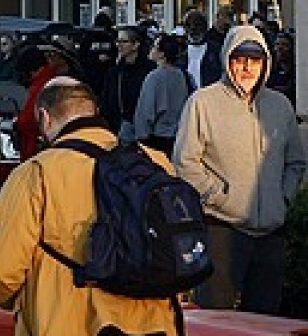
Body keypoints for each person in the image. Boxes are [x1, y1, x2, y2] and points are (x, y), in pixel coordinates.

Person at [0, 77, 180, 336]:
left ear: (45, 118)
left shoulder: (38, 173)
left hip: (70, 325)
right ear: (95, 111)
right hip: (157, 326)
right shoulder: (155, 162)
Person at [174, 26, 306, 314]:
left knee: (265, 318)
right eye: (239, 59)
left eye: (254, 60)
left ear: (265, 63)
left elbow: (295, 162)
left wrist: (282, 199)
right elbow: (185, 162)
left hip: (271, 232)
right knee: (216, 317)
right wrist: (217, 197)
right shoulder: (203, 103)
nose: (247, 67)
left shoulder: (280, 105)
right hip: (223, 229)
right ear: (227, 60)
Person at [124, 33, 191, 157]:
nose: (151, 49)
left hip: (156, 138)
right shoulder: (181, 75)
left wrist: (141, 138)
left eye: (155, 47)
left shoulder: (154, 77)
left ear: (162, 54)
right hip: (177, 136)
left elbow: (145, 111)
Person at [100, 26, 154, 134]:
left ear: (136, 45)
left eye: (124, 41)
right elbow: (106, 101)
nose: (119, 45)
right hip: (117, 127)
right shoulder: (114, 72)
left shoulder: (149, 70)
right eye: (117, 41)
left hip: (144, 128)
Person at [177, 10, 223, 91]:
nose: (193, 29)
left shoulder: (217, 52)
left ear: (205, 27)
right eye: (188, 25)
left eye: (198, 25)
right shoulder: (179, 53)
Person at [267, 31, 295, 105]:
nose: (280, 48)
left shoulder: (296, 69)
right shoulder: (270, 67)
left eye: (284, 45)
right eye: (277, 44)